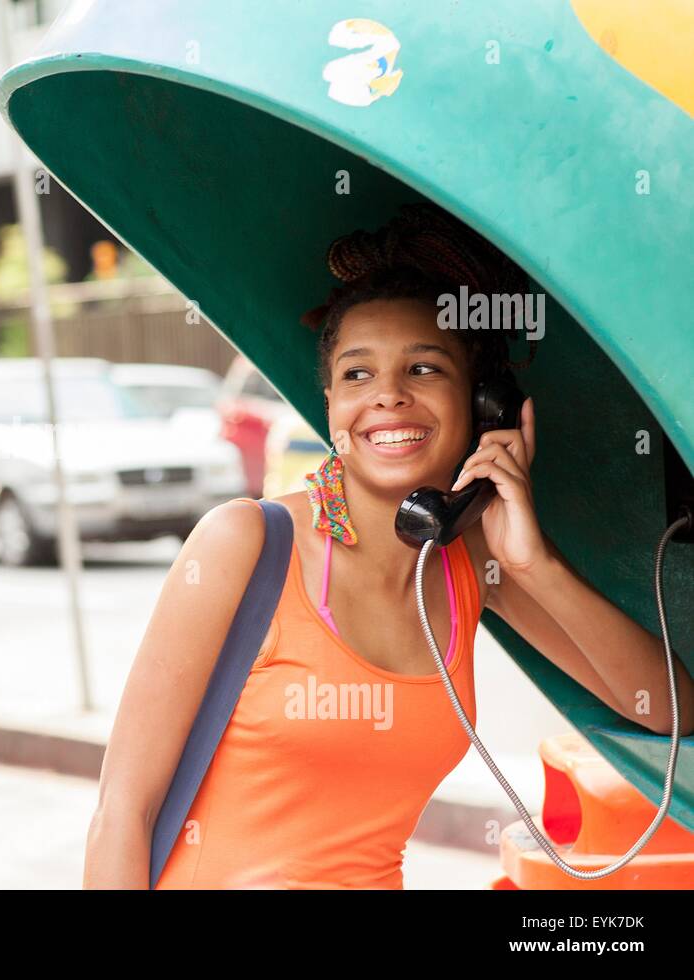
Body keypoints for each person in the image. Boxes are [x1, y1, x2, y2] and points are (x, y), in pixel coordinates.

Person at [83, 202, 694, 889]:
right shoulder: (247, 545)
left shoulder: (474, 566)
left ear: (484, 404)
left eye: (425, 369)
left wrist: (536, 565)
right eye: (357, 374)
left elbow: (667, 711)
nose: (389, 398)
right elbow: (121, 813)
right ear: (330, 404)